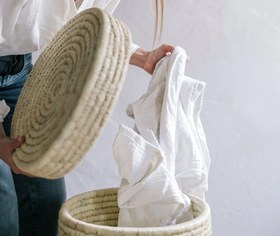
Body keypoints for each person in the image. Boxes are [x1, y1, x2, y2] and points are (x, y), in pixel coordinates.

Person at [0, 0, 174, 235]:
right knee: (4, 206)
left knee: (47, 200)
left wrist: (143, 57)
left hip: (18, 70)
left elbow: (81, 28)